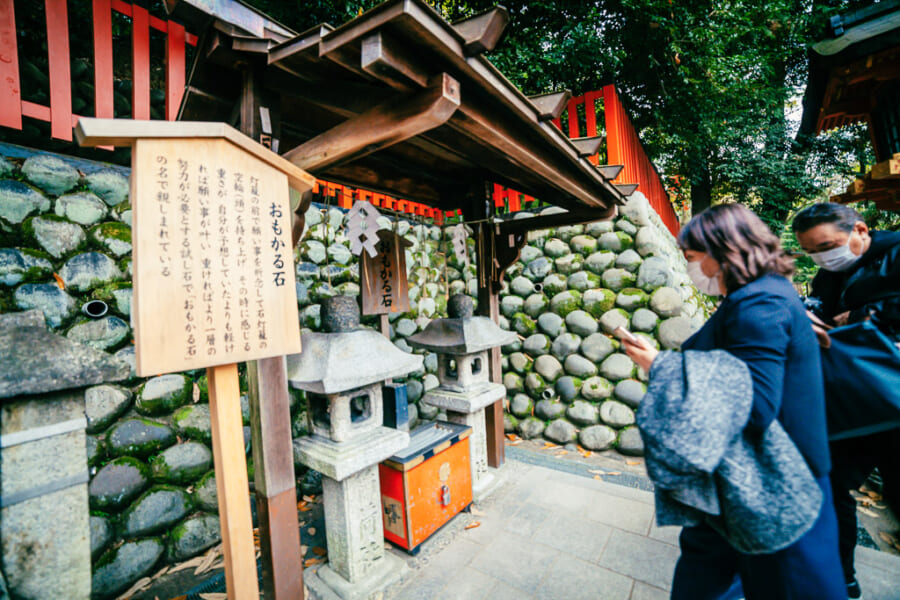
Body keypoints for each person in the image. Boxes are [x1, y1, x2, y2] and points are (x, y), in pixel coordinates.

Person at [622, 203, 845, 600]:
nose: (693, 269)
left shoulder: (759, 305)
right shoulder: (765, 293)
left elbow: (755, 405)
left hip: (777, 481)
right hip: (756, 475)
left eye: (692, 259)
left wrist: (661, 365)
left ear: (720, 252)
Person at [792, 202, 900, 599]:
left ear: (861, 229)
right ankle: (839, 579)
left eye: (828, 245)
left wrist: (860, 316)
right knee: (831, 487)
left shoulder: (896, 254)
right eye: (811, 251)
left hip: (894, 401)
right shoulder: (827, 273)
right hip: (851, 405)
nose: (822, 256)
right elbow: (822, 310)